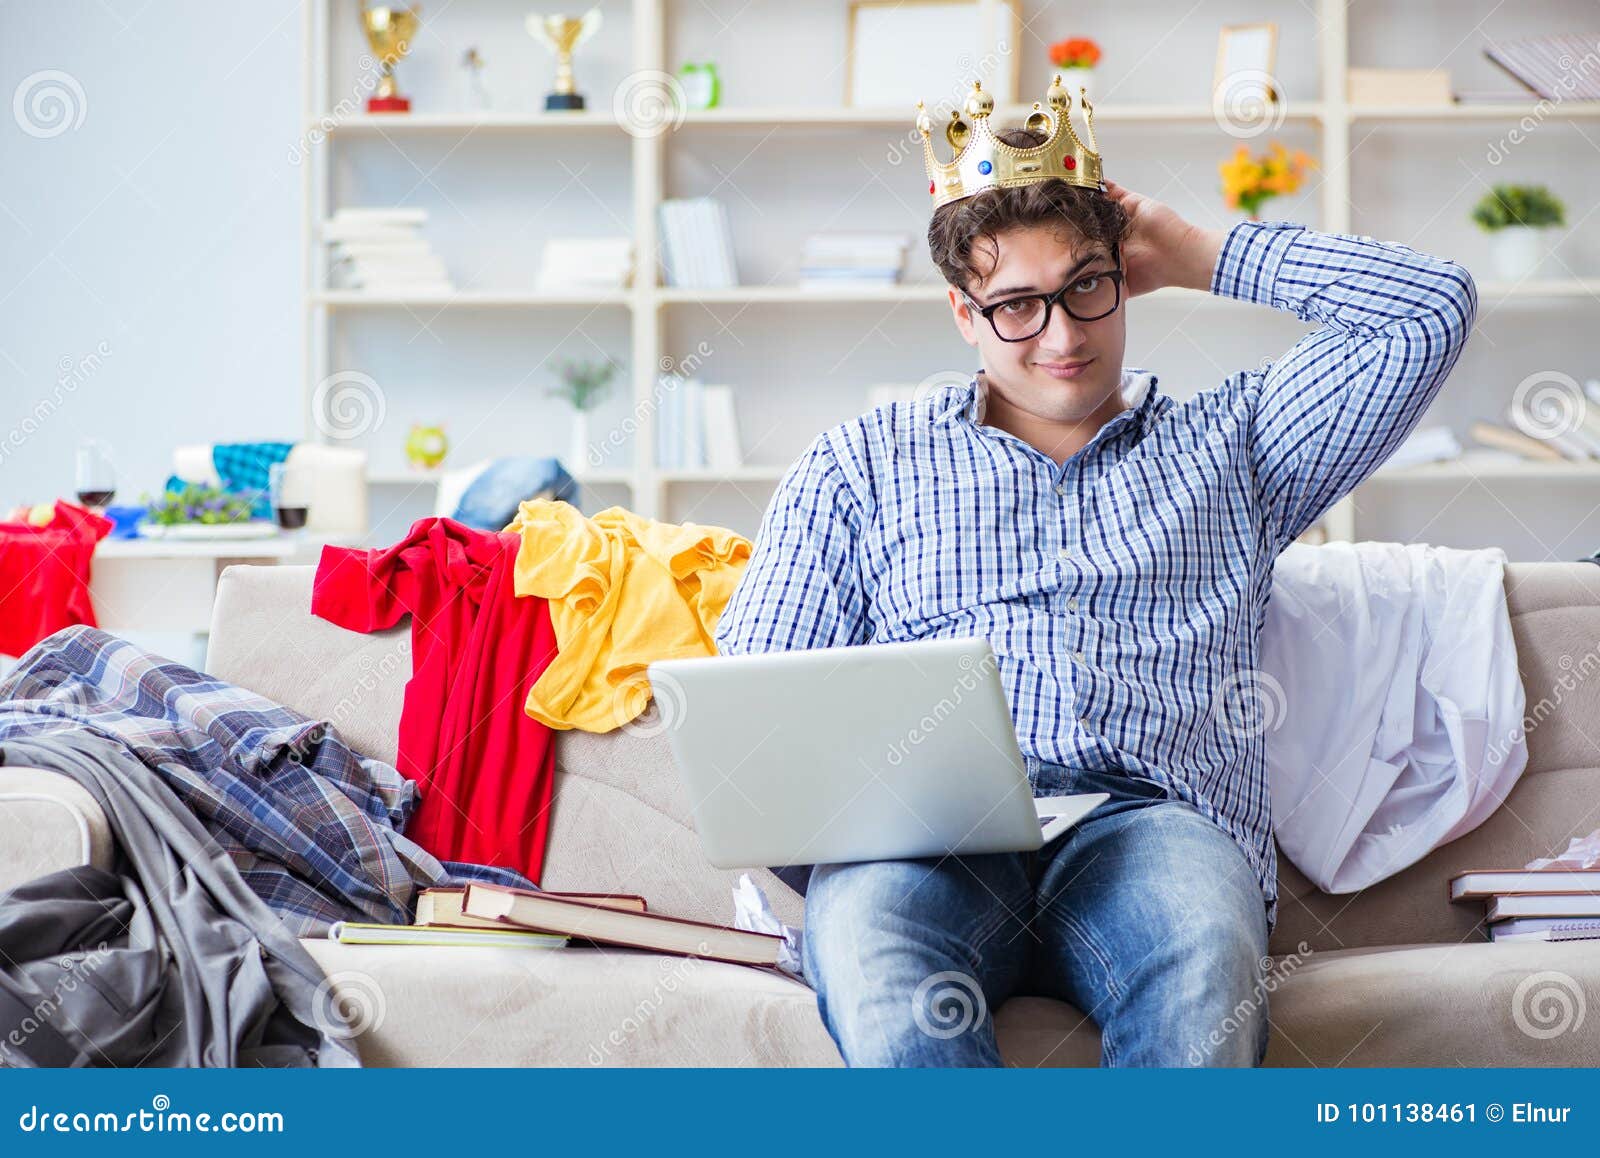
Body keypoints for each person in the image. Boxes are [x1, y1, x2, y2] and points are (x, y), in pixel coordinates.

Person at [713, 77, 1477, 1067]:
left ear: (1125, 275)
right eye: (1017, 307)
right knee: (868, 944)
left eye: (1086, 287)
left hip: (1149, 825)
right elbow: (759, 716)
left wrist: (1203, 252)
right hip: (929, 840)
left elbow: (1427, 311)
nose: (1064, 337)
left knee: (1202, 956)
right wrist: (857, 819)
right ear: (962, 312)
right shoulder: (861, 463)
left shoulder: (1237, 445)